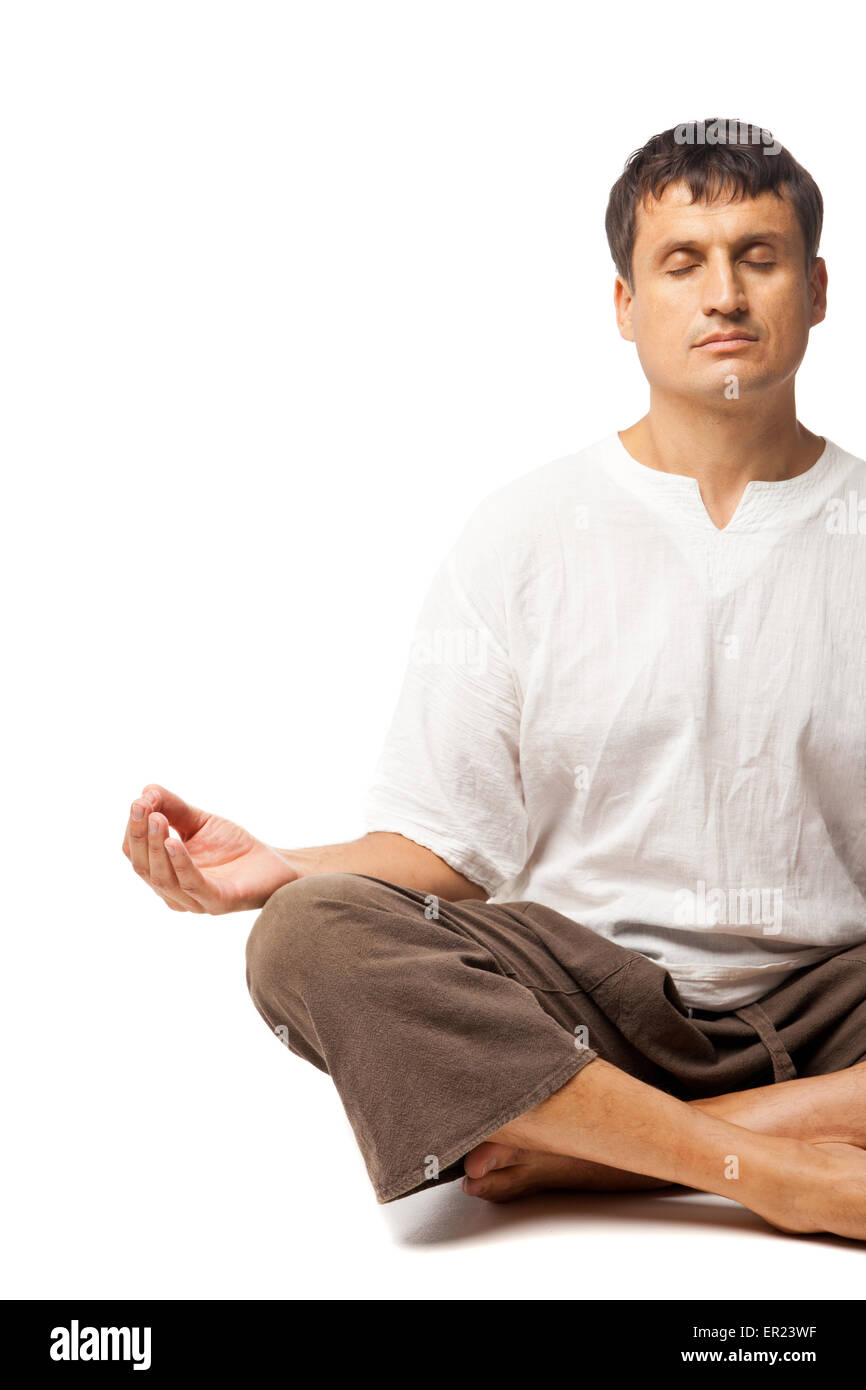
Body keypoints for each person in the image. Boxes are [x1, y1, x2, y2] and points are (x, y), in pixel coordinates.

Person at [123, 118, 866, 1239]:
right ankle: (766, 1166)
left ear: (812, 289)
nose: (722, 293)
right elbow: (448, 848)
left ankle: (605, 1152)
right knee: (303, 934)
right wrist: (281, 866)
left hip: (836, 1000)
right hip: (591, 999)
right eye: (681, 261)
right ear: (623, 305)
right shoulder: (525, 532)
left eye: (755, 257)